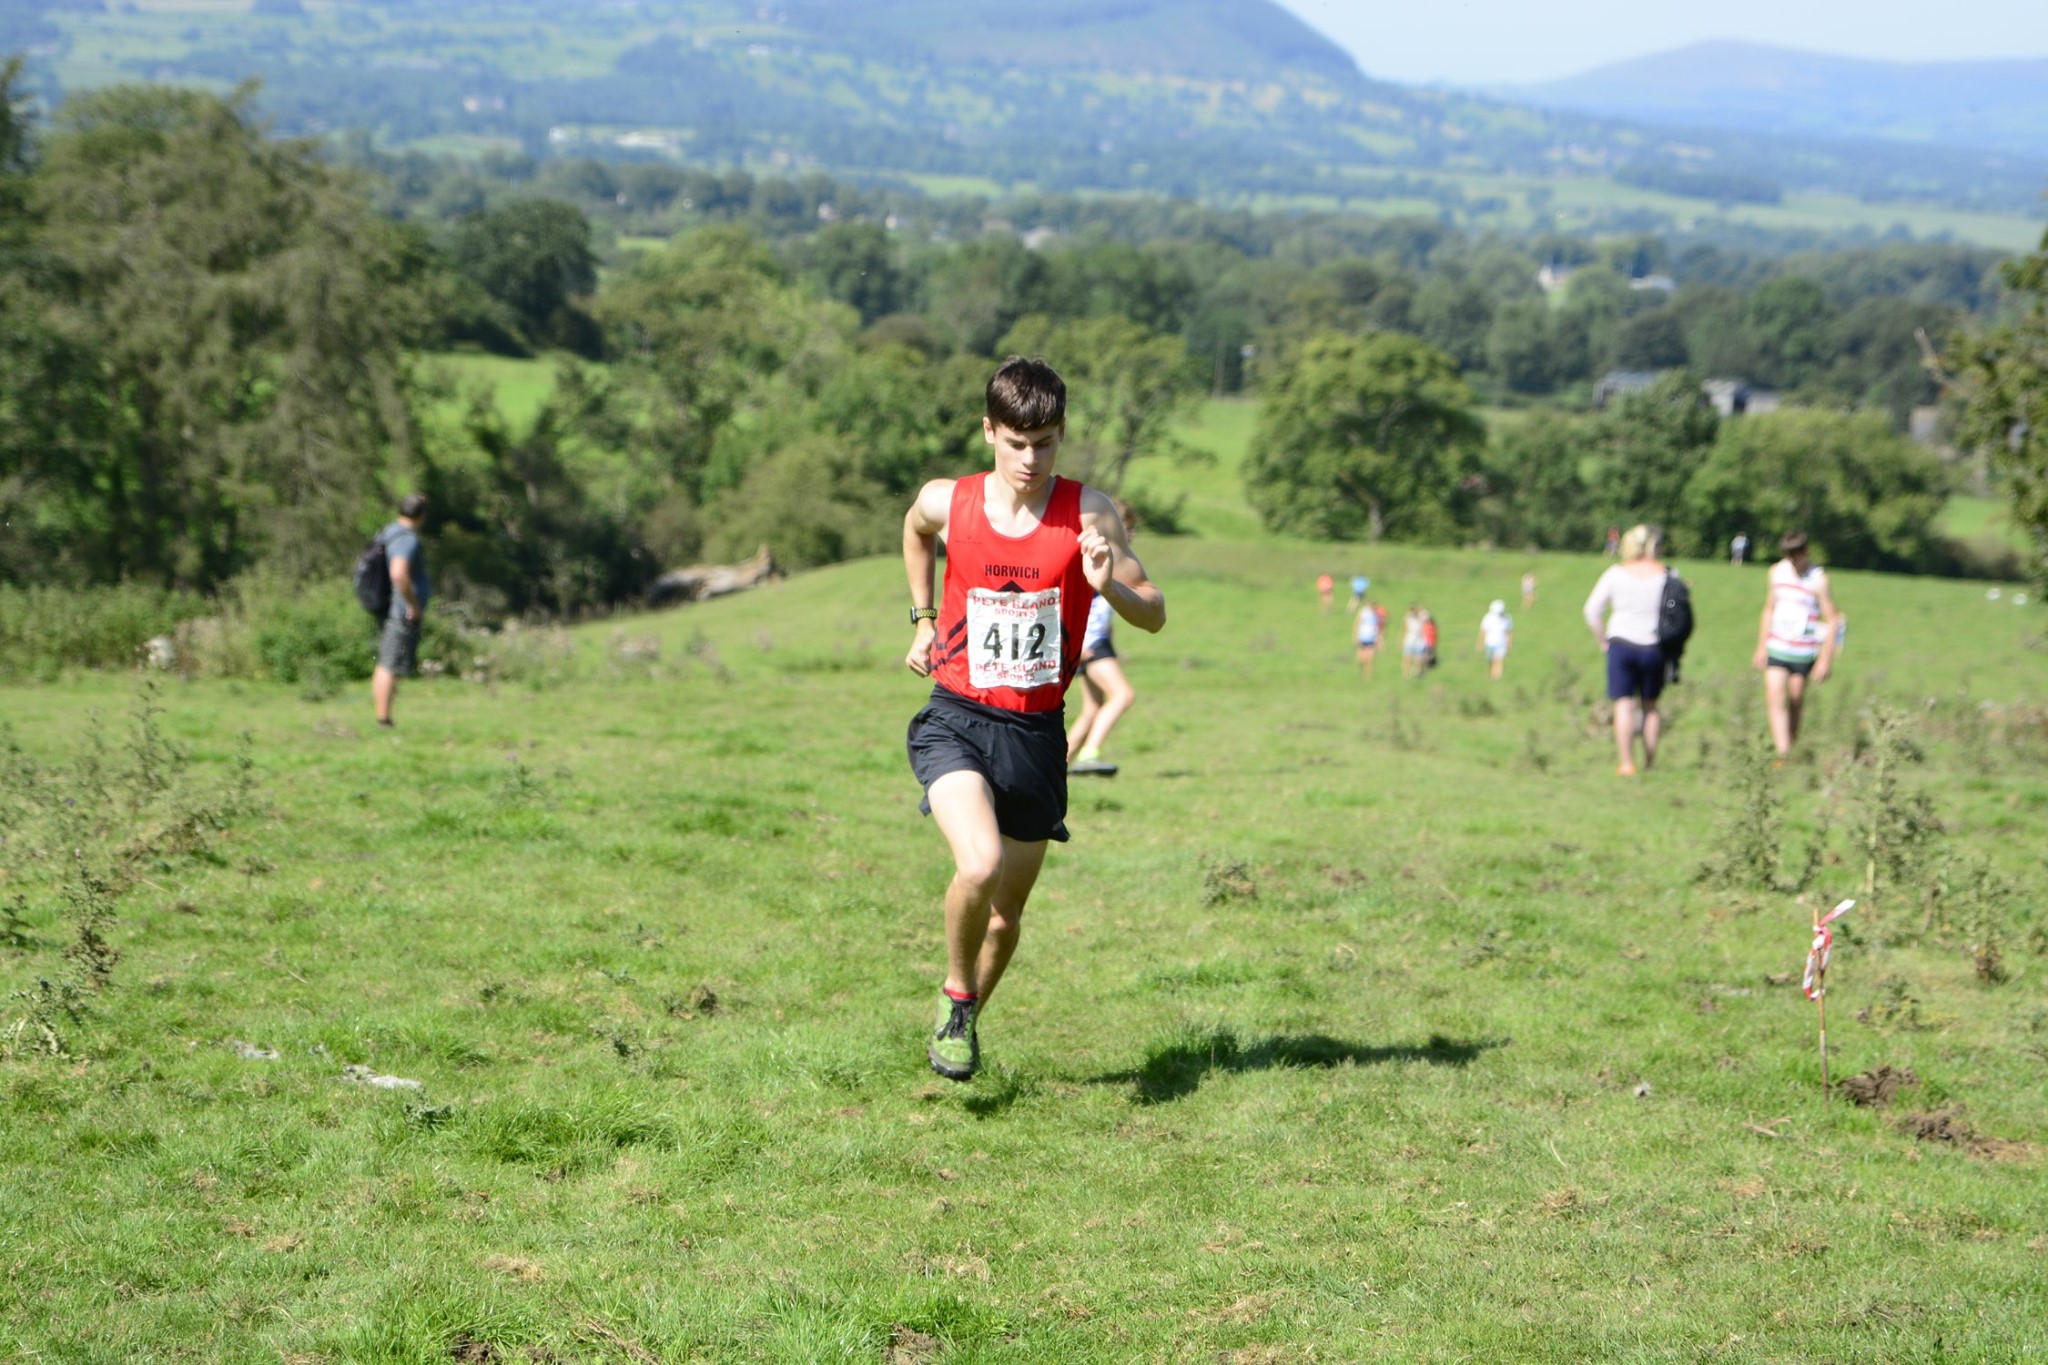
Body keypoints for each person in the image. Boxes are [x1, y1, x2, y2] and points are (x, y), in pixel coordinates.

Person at [903, 357, 1166, 1082]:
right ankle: (957, 992)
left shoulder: (1090, 514)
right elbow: (915, 531)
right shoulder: (947, 501)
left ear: (1061, 435)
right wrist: (923, 617)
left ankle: (962, 1016)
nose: (1030, 459)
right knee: (979, 863)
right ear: (989, 431)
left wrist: (1108, 585)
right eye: (1017, 442)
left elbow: (1154, 614)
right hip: (957, 716)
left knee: (1004, 914)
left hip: (1036, 735)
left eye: (1045, 443)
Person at [1583, 524, 1670, 776]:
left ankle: (1626, 763)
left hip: (1621, 645)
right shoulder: (1667, 574)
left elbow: (1591, 611)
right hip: (1655, 647)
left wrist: (1603, 639)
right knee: (1651, 706)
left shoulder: (1616, 574)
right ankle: (1650, 763)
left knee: (1624, 704)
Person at [1752, 530, 1841, 759]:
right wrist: (1761, 646)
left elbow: (1833, 620)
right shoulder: (1776, 573)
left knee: (1795, 700)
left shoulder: (1818, 579)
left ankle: (1789, 750)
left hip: (1803, 651)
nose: (1792, 560)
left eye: (1796, 555)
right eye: (1788, 555)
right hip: (1777, 646)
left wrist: (1825, 660)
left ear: (1805, 552)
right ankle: (1783, 754)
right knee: (1774, 695)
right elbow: (1769, 609)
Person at [371, 492, 430, 729]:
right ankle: (383, 719)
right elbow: (398, 573)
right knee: (389, 663)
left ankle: (384, 716)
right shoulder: (406, 539)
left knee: (388, 661)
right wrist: (413, 604)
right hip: (399, 611)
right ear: (422, 515)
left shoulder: (389, 532)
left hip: (390, 607)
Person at [1066, 592, 1133, 776]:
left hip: (1097, 643)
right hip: (1091, 645)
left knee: (1092, 709)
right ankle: (1089, 755)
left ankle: (1057, 766)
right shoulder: (1086, 577)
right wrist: (1074, 643)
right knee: (1123, 695)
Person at [1477, 599, 1513, 681]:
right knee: (1490, 660)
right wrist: (1480, 644)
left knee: (1499, 660)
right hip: (1489, 643)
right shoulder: (1487, 618)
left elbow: (1508, 633)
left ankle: (1496, 677)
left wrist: (1509, 645)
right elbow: (1483, 632)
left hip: (1501, 643)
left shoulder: (1507, 618)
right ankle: (1491, 674)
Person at [1354, 597, 1384, 679]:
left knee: (1370, 659)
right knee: (1361, 659)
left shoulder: (1377, 615)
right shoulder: (1363, 612)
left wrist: (1379, 641)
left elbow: (1378, 628)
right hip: (1362, 638)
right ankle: (1361, 670)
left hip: (1372, 639)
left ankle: (1368, 676)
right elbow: (1357, 624)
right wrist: (1356, 636)